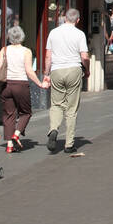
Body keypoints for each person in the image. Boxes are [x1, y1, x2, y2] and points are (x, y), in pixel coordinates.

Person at [43, 8, 91, 153]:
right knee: (71, 108)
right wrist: (87, 70)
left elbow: (48, 56)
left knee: (56, 104)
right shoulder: (79, 34)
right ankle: (69, 144)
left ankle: (53, 129)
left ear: (64, 18)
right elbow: (84, 56)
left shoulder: (53, 32)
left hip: (57, 70)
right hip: (74, 70)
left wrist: (46, 74)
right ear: (78, 20)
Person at [0, 25, 47, 153]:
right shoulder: (26, 51)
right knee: (26, 112)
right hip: (21, 84)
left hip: (6, 85)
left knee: (9, 114)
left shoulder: (5, 50)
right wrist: (39, 83)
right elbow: (29, 71)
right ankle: (16, 134)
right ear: (22, 37)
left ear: (10, 37)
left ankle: (9, 145)